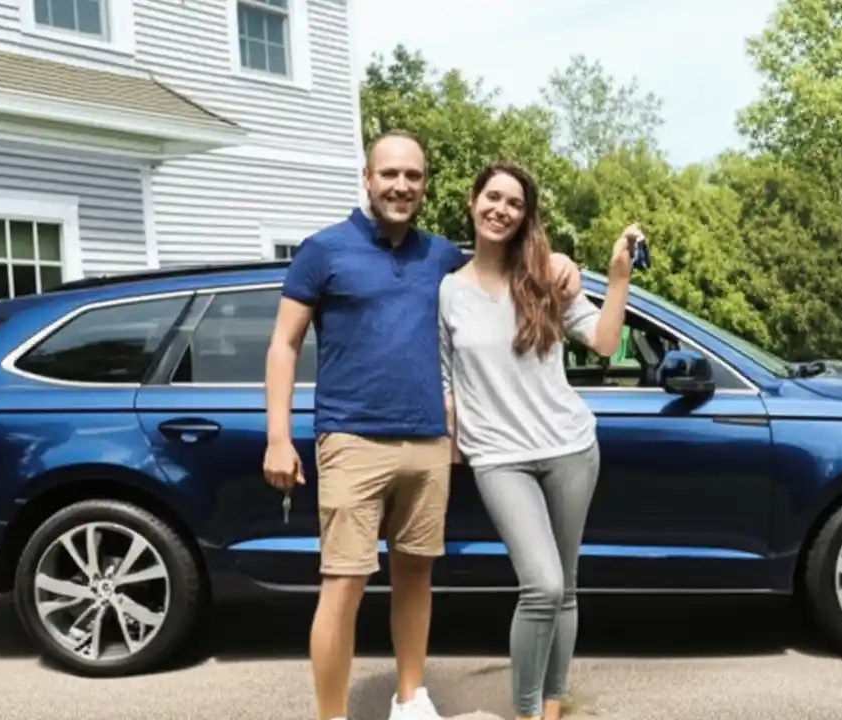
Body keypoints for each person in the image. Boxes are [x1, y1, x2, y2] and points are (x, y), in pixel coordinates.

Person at [263, 132, 583, 720]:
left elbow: (504, 261)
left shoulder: (439, 257)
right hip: (352, 439)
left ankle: (410, 701)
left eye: (413, 177)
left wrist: (561, 259)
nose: (401, 186)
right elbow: (284, 344)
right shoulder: (322, 251)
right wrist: (278, 438)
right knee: (344, 584)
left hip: (429, 444)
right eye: (389, 174)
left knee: (415, 578)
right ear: (367, 178)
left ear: (426, 186)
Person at [438, 162, 638, 720]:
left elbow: (603, 342)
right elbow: (446, 380)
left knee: (566, 588)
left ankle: (553, 708)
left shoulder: (546, 276)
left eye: (515, 203)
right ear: (473, 201)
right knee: (542, 586)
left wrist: (618, 275)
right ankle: (526, 713)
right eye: (493, 198)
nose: (502, 210)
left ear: (526, 216)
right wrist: (451, 451)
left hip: (570, 448)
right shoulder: (448, 292)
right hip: (499, 458)